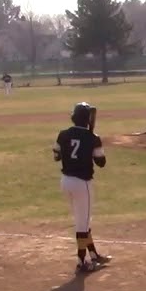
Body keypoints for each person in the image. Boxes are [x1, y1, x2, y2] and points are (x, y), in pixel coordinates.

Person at [53, 102, 111, 273]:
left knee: (82, 221)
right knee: (82, 225)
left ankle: (93, 255)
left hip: (66, 182)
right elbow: (101, 162)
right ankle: (81, 261)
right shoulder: (93, 137)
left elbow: (57, 156)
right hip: (82, 184)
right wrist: (92, 144)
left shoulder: (63, 134)